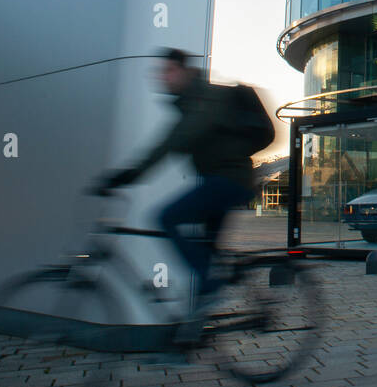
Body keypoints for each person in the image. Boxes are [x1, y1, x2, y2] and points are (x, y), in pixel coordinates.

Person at [94, 48, 274, 324]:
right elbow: (172, 141)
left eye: (168, 71)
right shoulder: (192, 102)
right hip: (224, 180)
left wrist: (125, 177)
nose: (162, 78)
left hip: (229, 181)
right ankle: (193, 332)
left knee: (167, 217)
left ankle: (211, 286)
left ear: (184, 70)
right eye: (159, 73)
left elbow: (170, 144)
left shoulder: (204, 99)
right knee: (208, 252)